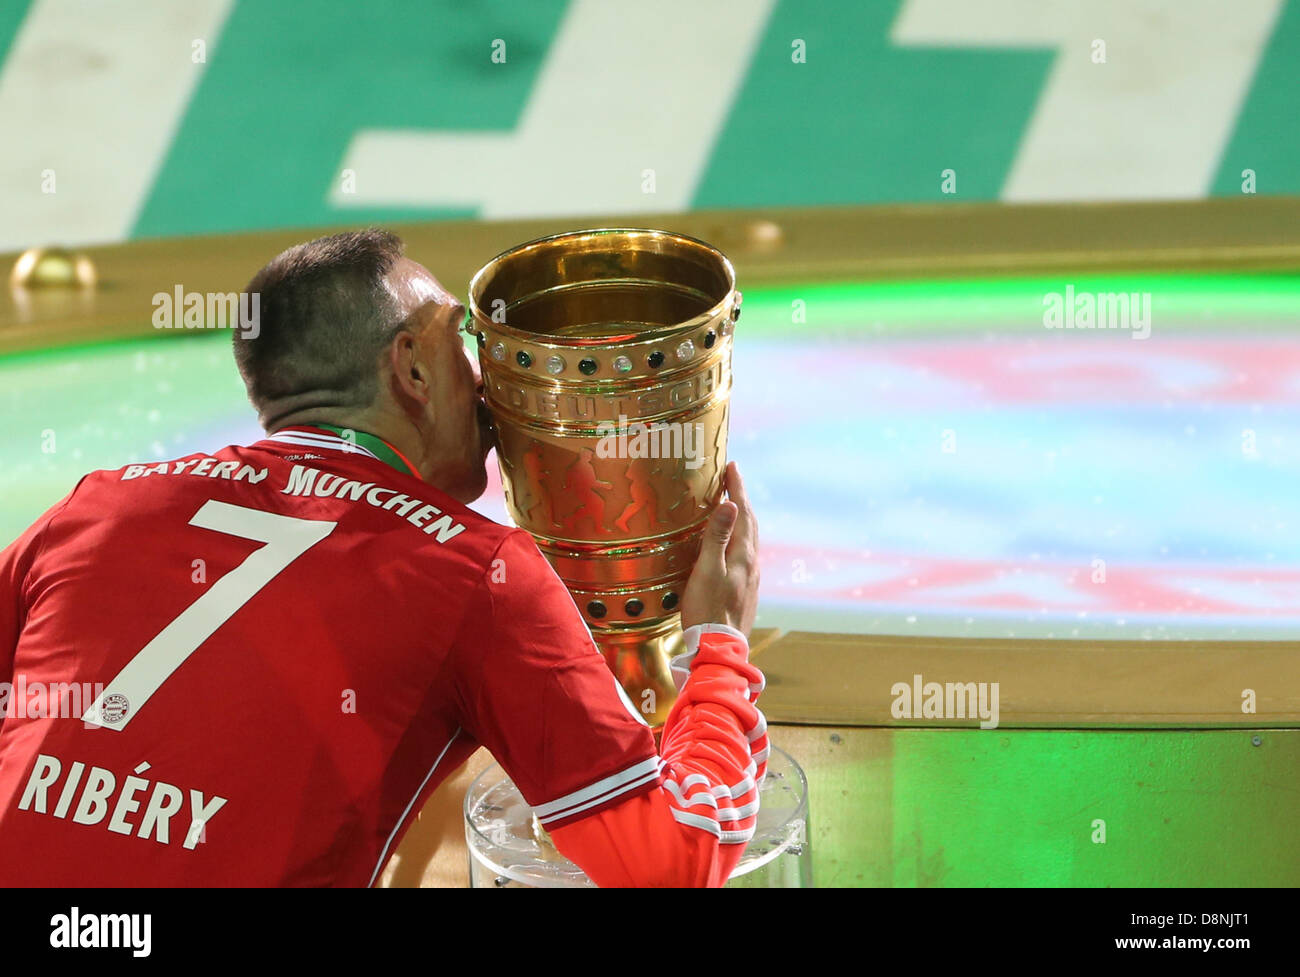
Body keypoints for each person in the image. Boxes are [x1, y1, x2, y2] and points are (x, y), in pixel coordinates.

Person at [0, 229, 766, 887]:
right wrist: (719, 644)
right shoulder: (478, 571)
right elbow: (671, 857)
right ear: (412, 370)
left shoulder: (97, 504)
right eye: (461, 343)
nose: (484, 383)